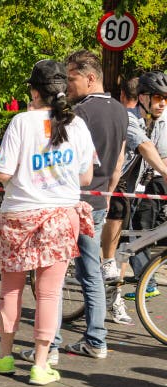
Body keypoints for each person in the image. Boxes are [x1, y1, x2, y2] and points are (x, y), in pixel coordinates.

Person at [0, 60, 95, 385]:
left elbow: (2, 173)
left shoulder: (21, 122)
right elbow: (86, 175)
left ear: (33, 90)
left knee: (11, 290)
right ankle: (41, 363)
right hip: (62, 215)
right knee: (49, 294)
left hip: (20, 215)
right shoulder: (77, 126)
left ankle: (4, 356)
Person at [60, 49, 127, 360]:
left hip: (73, 199)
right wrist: (108, 191)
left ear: (90, 78)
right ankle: (96, 339)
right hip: (98, 200)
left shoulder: (80, 114)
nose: (67, 85)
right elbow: (119, 160)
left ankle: (49, 343)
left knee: (55, 271)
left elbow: (66, 160)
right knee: (92, 271)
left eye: (71, 78)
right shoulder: (120, 110)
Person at [123, 72, 167, 301]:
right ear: (142, 98)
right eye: (157, 97)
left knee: (135, 235)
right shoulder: (128, 118)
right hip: (113, 185)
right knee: (124, 237)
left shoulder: (158, 120)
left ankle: (141, 283)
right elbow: (145, 146)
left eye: (165, 99)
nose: (162, 103)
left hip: (137, 187)